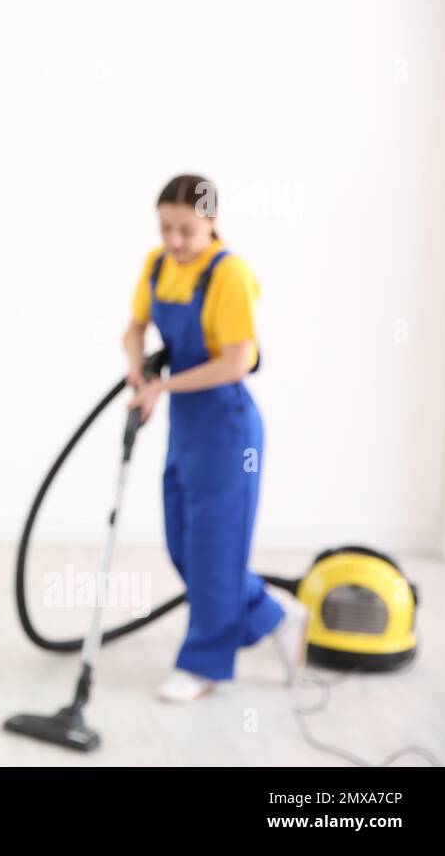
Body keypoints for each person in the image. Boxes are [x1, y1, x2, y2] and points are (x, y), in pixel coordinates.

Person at [122, 174, 308, 703]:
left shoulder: (230, 275)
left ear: (212, 221)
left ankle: (203, 665)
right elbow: (133, 328)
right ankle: (275, 616)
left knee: (214, 550)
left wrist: (161, 386)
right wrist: (138, 368)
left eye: (186, 229)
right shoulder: (157, 266)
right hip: (186, 428)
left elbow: (234, 362)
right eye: (165, 228)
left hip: (228, 431)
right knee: (184, 545)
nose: (174, 241)